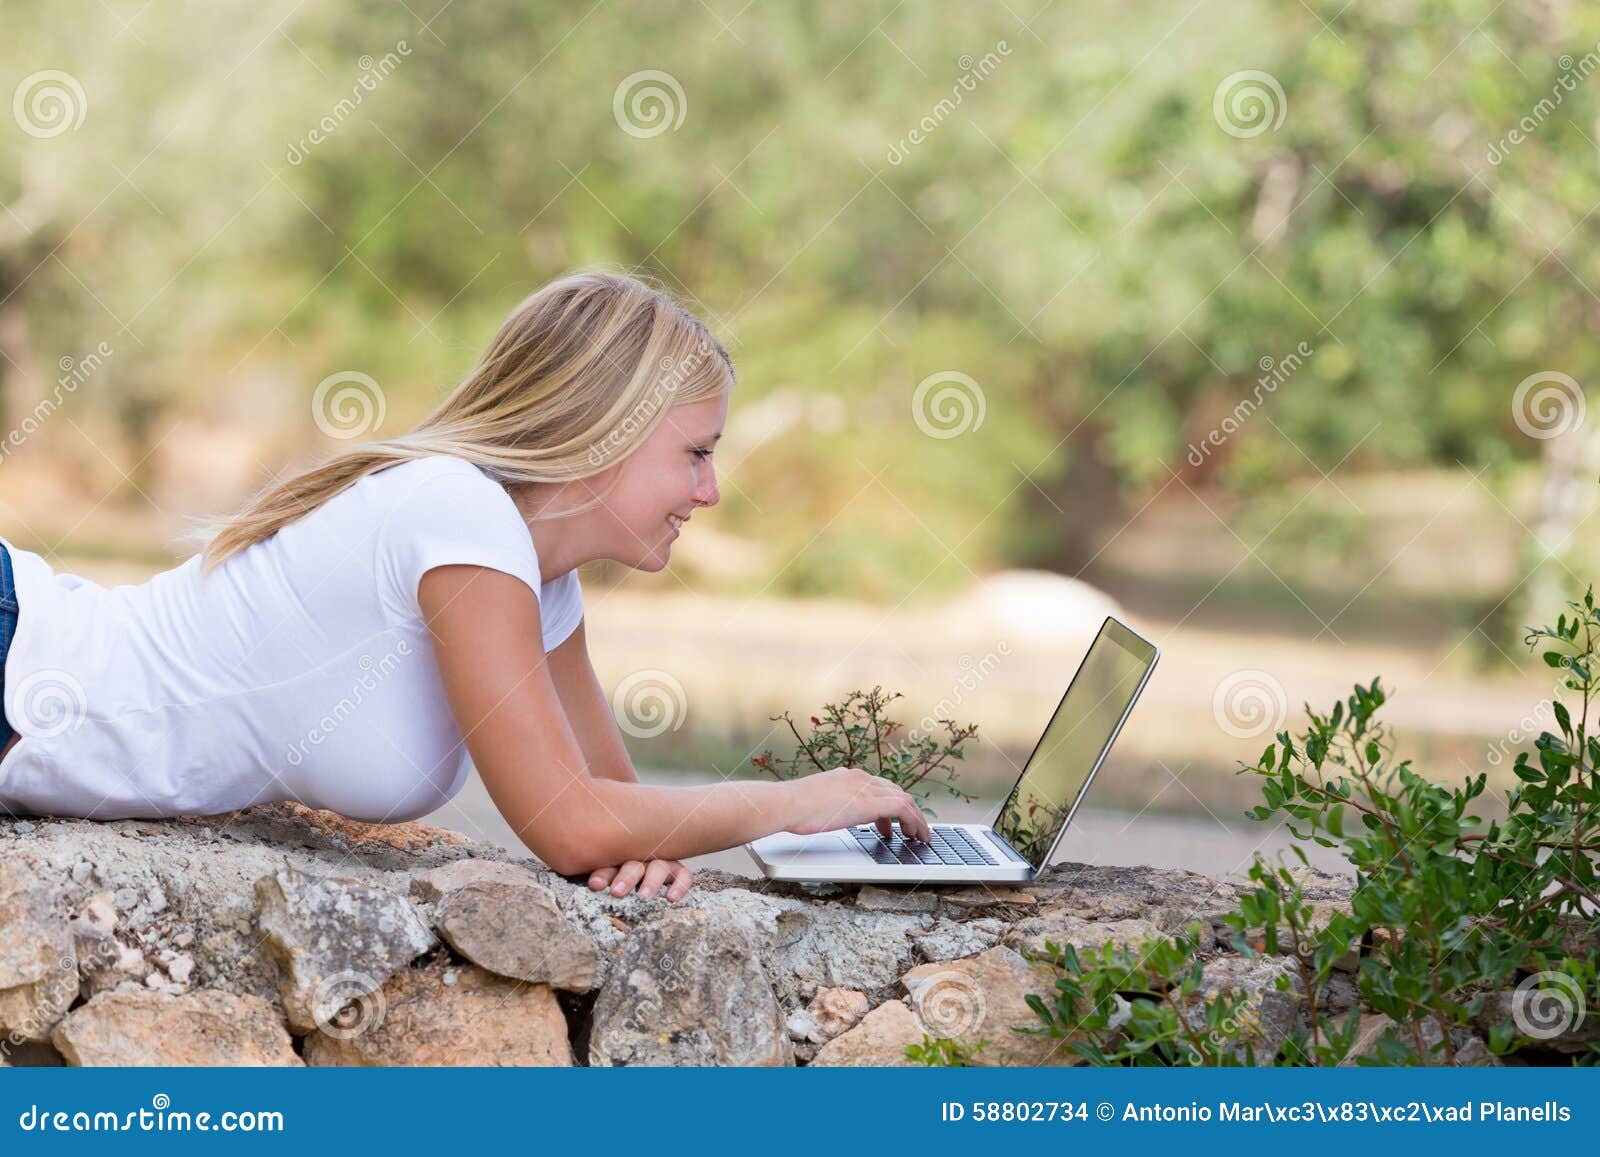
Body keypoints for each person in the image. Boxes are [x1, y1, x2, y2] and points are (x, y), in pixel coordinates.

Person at [0, 270, 931, 904]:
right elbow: (572, 825)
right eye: (695, 452)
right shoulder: (460, 518)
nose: (709, 489)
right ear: (607, 431)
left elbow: (606, 803)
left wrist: (640, 849)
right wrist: (808, 799)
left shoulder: (535, 576)